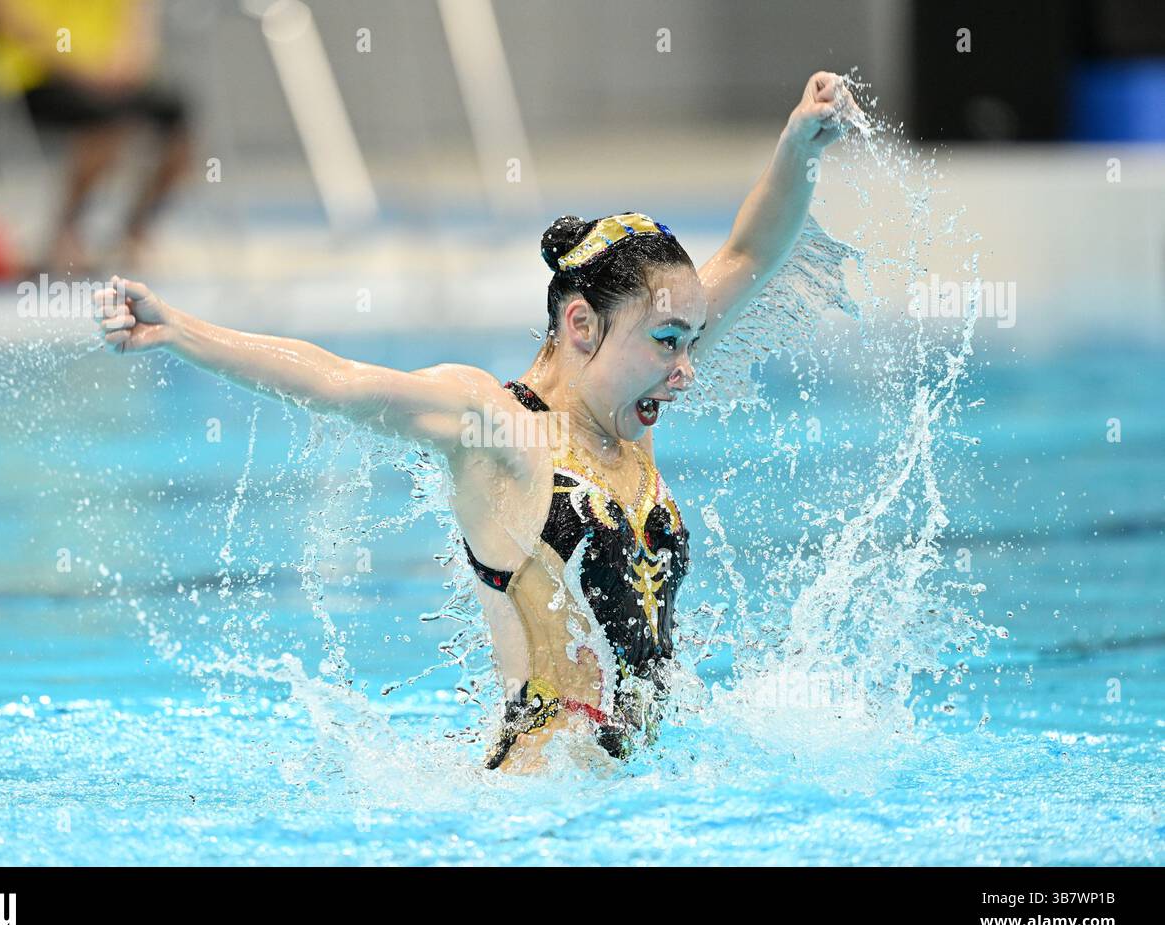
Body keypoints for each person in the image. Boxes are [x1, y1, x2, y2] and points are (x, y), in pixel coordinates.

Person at [93, 72, 862, 773]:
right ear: (582, 324)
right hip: (538, 804)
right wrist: (181, 332)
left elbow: (751, 251)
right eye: (668, 343)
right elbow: (341, 383)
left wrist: (798, 144)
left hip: (629, 790)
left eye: (690, 341)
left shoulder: (628, 407)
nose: (686, 366)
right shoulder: (497, 427)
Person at [0, 0, 191, 272]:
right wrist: (80, 66)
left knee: (178, 126)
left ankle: (132, 234)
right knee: (106, 122)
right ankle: (67, 233)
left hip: (108, 75)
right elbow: (3, 18)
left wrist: (126, 62)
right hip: (34, 75)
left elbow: (138, 17)